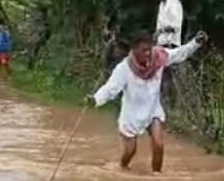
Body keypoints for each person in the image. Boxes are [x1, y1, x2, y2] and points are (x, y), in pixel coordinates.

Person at [88, 30, 208, 173]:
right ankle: (122, 168)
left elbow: (179, 54)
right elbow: (110, 89)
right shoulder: (124, 69)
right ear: (134, 51)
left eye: (149, 49)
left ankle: (156, 176)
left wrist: (195, 43)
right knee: (130, 151)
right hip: (131, 115)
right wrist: (95, 99)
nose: (148, 53)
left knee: (158, 144)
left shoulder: (159, 57)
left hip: (153, 110)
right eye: (144, 50)